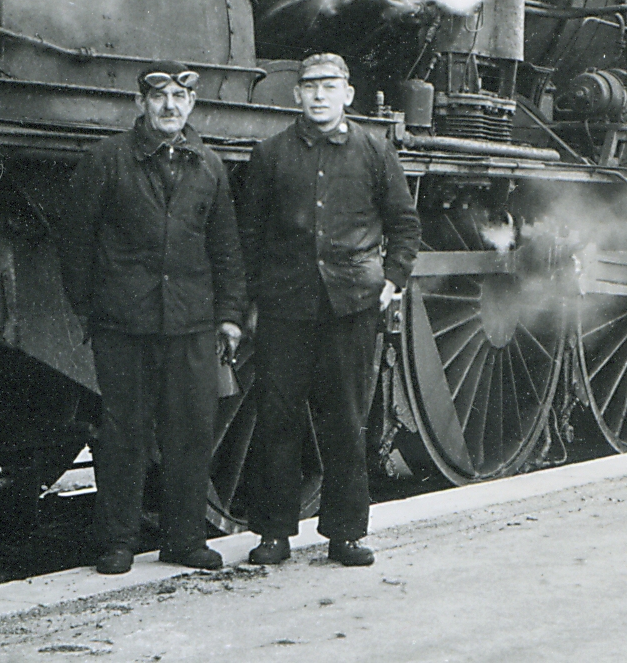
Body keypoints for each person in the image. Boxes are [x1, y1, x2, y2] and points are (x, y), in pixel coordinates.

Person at [59, 60, 245, 575]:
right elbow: (75, 240)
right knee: (124, 433)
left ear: (191, 106)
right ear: (141, 103)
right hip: (124, 322)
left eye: (180, 99)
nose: (170, 107)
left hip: (190, 323)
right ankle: (118, 542)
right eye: (159, 97)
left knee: (190, 431)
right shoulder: (107, 160)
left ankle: (184, 540)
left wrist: (228, 315)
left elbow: (226, 247)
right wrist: (88, 307)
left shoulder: (209, 165)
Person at [241, 52, 421, 567]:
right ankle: (274, 532)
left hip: (352, 305)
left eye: (329, 86)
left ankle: (345, 534)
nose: (319, 95)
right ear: (296, 94)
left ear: (348, 94)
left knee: (346, 421)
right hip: (285, 307)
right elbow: (250, 234)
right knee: (278, 420)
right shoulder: (271, 154)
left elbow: (405, 225)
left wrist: (392, 280)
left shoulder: (374, 151)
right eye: (310, 86)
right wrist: (256, 297)